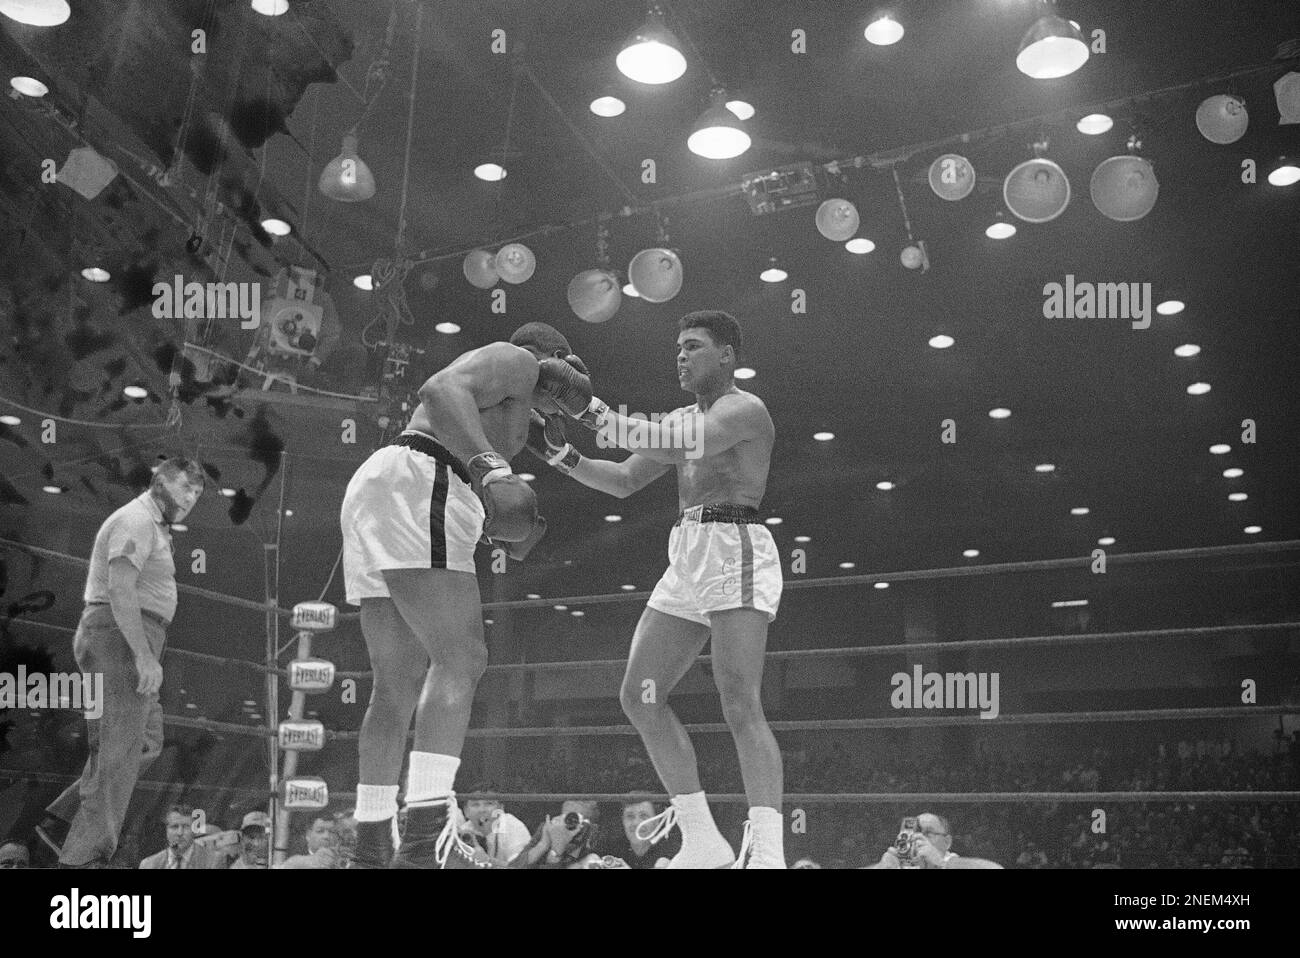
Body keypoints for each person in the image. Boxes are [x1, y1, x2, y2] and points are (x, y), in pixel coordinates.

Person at [526, 310, 784, 868]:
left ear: (727, 355)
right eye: (677, 348)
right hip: (688, 552)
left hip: (734, 544)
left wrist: (586, 407)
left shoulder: (744, 411)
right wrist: (558, 455)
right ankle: (702, 838)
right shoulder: (678, 418)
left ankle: (767, 853)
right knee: (640, 694)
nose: (681, 356)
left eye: (693, 346)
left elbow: (675, 446)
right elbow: (622, 481)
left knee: (739, 702)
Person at [341, 322, 594, 869]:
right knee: (463, 657)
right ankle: (425, 828)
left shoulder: (513, 408)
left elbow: (507, 519)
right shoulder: (514, 359)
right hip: (424, 478)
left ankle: (371, 839)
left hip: (392, 485)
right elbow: (437, 390)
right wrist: (493, 468)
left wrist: (517, 503)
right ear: (549, 356)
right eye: (562, 366)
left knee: (396, 683)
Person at [36, 458, 206, 867]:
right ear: (160, 481)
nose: (189, 500)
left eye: (196, 495)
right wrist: (143, 655)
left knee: (144, 741)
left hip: (128, 636)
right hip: (120, 637)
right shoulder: (136, 521)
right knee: (117, 746)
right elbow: (120, 588)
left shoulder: (153, 526)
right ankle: (82, 858)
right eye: (184, 488)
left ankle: (67, 819)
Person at [868, 813, 1003, 869]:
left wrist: (941, 863)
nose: (918, 838)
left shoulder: (952, 863)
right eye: (915, 833)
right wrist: (880, 867)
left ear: (947, 842)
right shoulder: (900, 864)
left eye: (928, 833)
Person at [138, 804, 228, 869]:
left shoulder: (213, 861)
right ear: (166, 830)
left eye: (186, 827)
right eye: (174, 827)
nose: (180, 833)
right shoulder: (149, 865)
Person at [460, 785, 532, 865]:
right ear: (466, 811)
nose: (482, 810)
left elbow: (518, 866)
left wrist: (487, 860)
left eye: (489, 804)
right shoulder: (463, 832)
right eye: (475, 804)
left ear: (500, 809)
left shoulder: (513, 827)